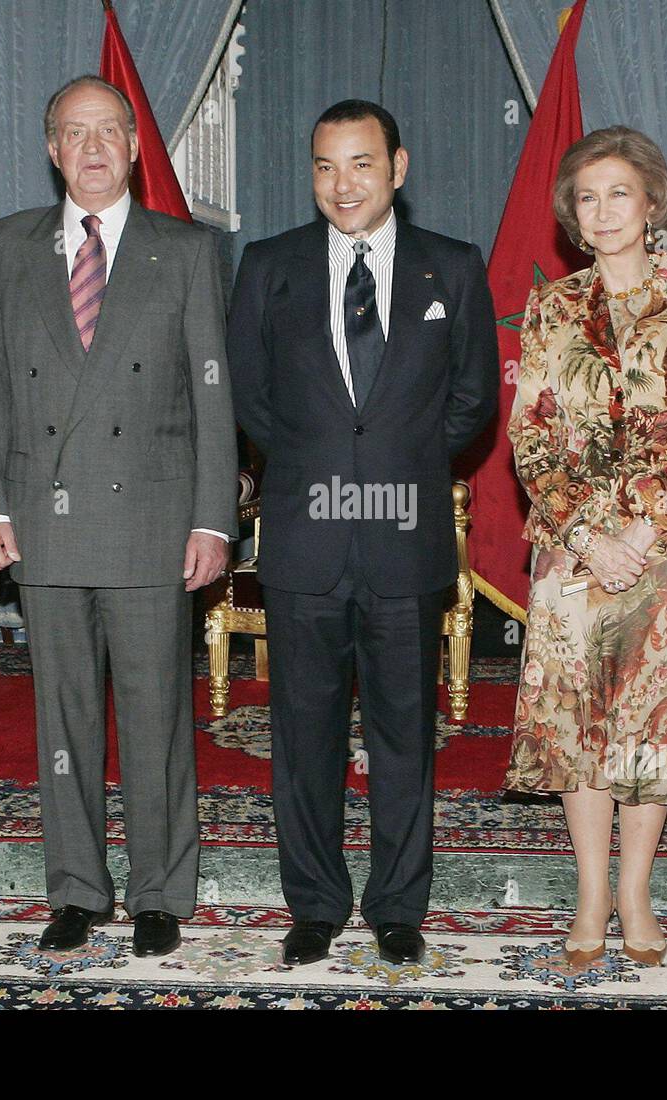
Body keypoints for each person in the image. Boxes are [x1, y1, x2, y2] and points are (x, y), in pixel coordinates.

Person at [0, 75, 237, 957]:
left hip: (153, 524)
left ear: (131, 146)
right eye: (72, 133)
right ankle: (77, 889)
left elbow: (213, 400)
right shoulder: (6, 248)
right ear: (51, 150)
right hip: (41, 521)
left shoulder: (186, 251)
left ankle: (160, 891)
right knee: (64, 722)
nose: (90, 148)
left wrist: (211, 520)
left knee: (157, 716)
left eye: (107, 132)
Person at [227, 100, 498, 966]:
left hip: (404, 538)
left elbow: (472, 402)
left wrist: (395, 463)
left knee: (404, 735)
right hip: (305, 540)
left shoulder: (451, 269)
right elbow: (250, 398)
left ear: (399, 167)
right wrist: (320, 465)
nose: (342, 184)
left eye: (361, 165)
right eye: (324, 166)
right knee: (301, 735)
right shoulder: (267, 266)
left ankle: (396, 906)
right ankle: (312, 902)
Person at [504, 126, 667, 969]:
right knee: (580, 729)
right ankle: (591, 895)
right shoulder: (550, 307)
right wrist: (588, 537)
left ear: (653, 204)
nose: (601, 211)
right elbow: (529, 439)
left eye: (618, 194)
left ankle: (635, 890)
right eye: (586, 197)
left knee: (650, 730)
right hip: (574, 557)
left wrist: (641, 534)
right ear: (573, 212)